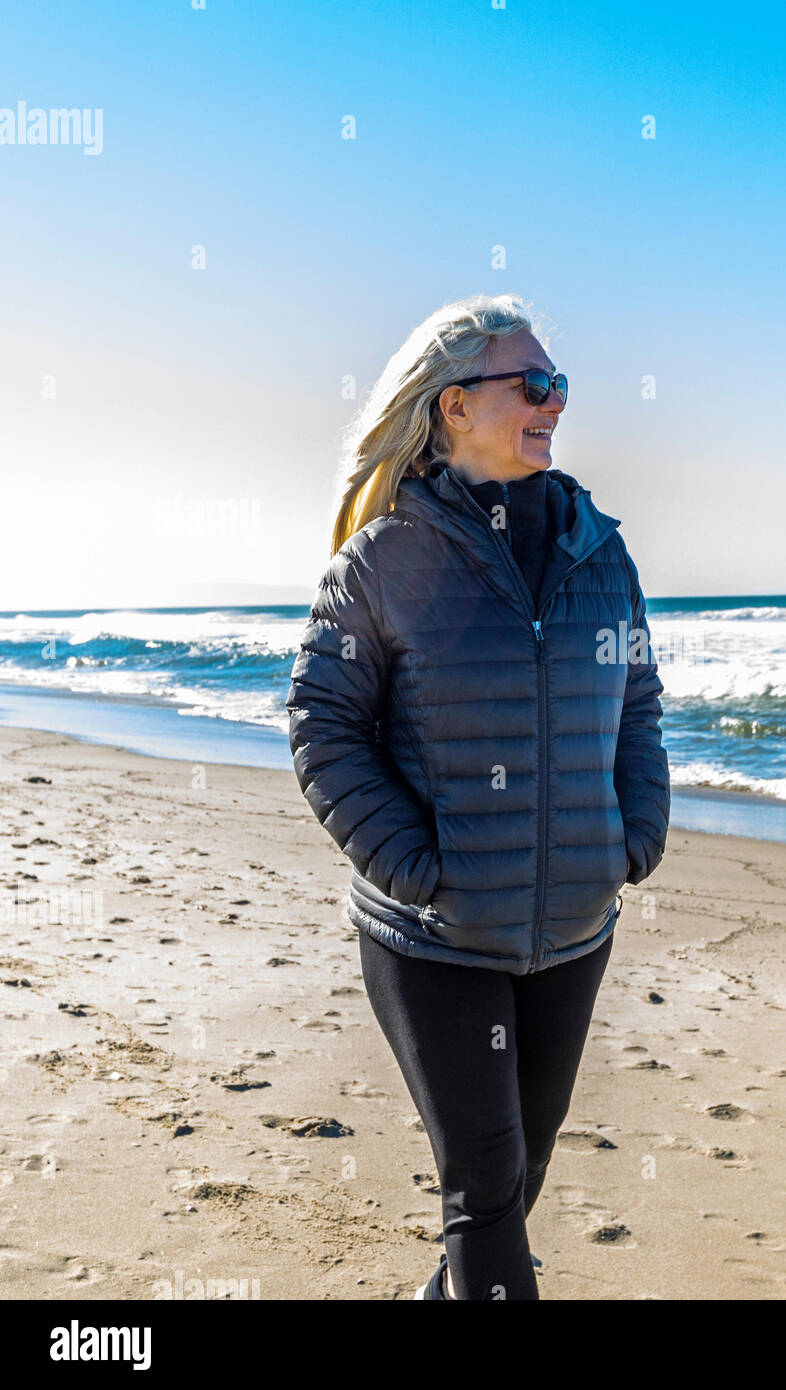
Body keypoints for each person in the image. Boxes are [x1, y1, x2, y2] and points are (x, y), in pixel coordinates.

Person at [284, 293, 671, 1300]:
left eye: (560, 385)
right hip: (434, 937)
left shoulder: (600, 551)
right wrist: (417, 866)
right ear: (454, 405)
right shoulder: (385, 562)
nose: (554, 402)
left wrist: (631, 833)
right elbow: (322, 726)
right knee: (488, 1192)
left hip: (574, 927)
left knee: (520, 1177)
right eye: (533, 384)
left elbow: (636, 698)